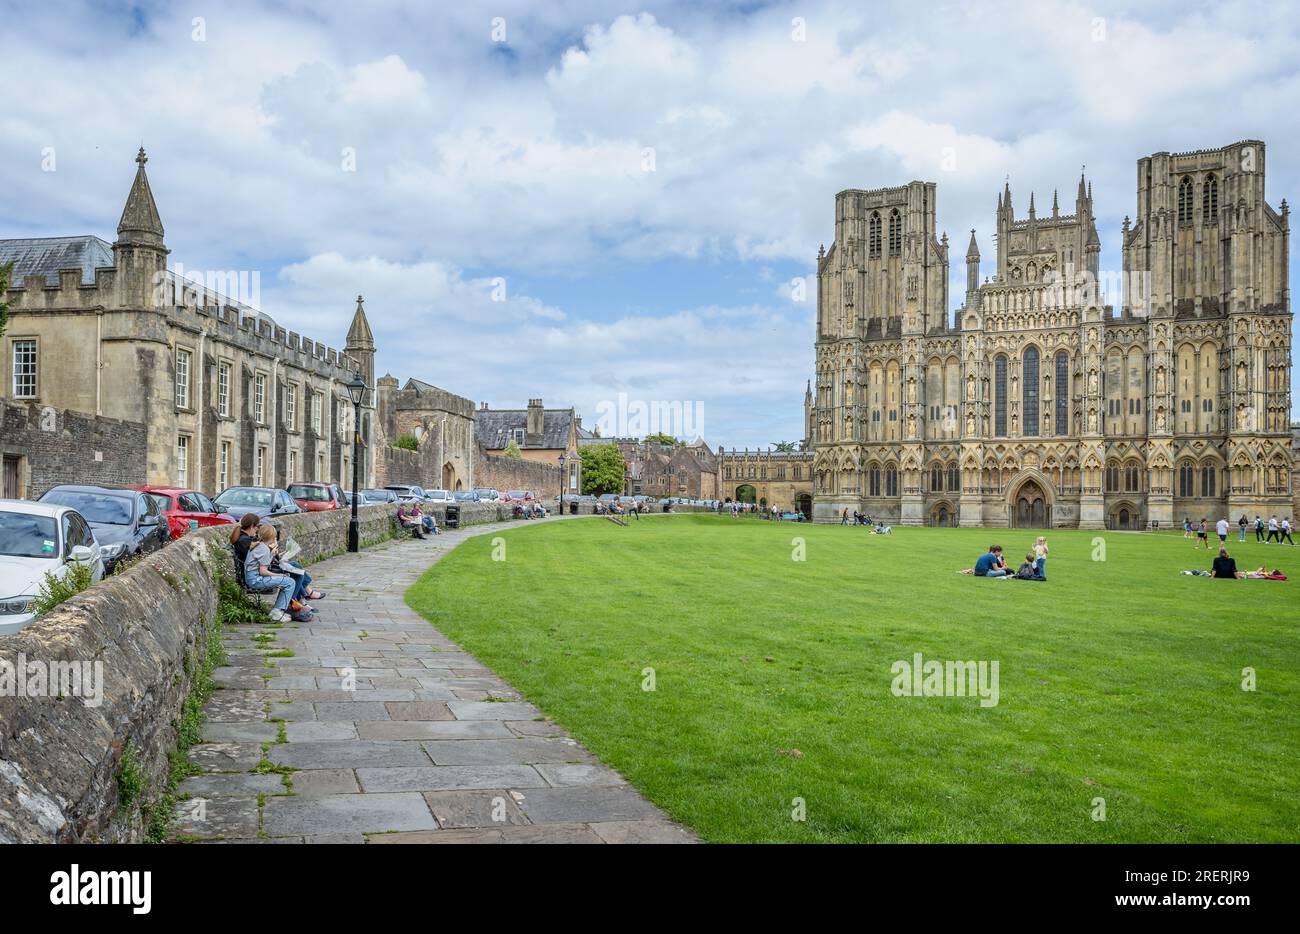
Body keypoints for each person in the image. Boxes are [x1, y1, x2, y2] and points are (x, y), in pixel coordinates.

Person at [244, 525, 296, 621]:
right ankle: (276, 612)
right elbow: (263, 571)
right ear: (271, 537)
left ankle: (278, 610)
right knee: (290, 582)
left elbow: (263, 564)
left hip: (252, 578)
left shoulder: (260, 545)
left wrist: (272, 553)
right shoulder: (263, 548)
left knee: (288, 581)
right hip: (256, 580)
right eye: (274, 537)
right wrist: (279, 575)